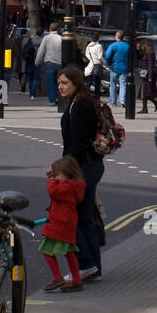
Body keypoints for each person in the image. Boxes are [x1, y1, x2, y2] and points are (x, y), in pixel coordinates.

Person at [58, 64, 104, 282]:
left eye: (65, 83)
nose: (60, 86)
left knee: (70, 217)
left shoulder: (80, 106)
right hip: (89, 165)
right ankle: (95, 267)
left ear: (76, 83)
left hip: (83, 167)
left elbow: (77, 145)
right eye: (59, 83)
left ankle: (85, 263)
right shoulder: (79, 103)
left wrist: (60, 169)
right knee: (85, 218)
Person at [40, 155, 87, 292]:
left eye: (58, 174)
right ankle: (77, 281)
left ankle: (57, 277)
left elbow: (53, 192)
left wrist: (51, 181)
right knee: (68, 251)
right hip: (68, 221)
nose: (56, 177)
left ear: (68, 173)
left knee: (46, 249)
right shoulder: (76, 185)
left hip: (59, 223)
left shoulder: (66, 187)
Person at [36, 23, 64, 105]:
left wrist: (37, 62)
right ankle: (58, 98)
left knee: (50, 82)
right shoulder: (61, 38)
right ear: (58, 29)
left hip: (49, 62)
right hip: (59, 63)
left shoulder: (46, 38)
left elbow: (41, 51)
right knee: (58, 82)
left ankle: (52, 100)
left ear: (50, 29)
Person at [104, 30, 131, 108]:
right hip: (124, 68)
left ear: (117, 37)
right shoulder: (127, 46)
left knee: (113, 85)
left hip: (114, 67)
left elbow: (107, 56)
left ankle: (113, 102)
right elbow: (131, 57)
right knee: (123, 85)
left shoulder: (113, 45)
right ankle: (122, 100)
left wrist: (108, 64)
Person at [138, 39, 157, 114]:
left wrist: (150, 76)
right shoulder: (145, 53)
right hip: (145, 75)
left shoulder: (149, 53)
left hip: (147, 75)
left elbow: (150, 65)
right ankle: (146, 108)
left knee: (146, 93)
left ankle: (147, 107)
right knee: (144, 93)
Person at [23, 28, 41, 98]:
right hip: (38, 61)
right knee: (36, 79)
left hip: (29, 61)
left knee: (30, 79)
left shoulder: (31, 40)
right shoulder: (42, 41)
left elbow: (25, 50)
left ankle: (31, 94)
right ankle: (33, 94)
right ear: (42, 34)